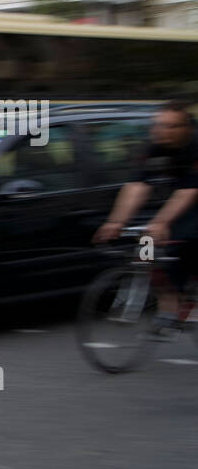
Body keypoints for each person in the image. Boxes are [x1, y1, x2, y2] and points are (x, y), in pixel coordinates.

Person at [94, 100, 198, 333]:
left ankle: (188, 297)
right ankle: (172, 299)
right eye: (159, 125)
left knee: (185, 235)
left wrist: (161, 222)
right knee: (149, 243)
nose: (163, 131)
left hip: (192, 192)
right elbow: (137, 184)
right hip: (184, 194)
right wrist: (116, 221)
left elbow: (189, 191)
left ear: (186, 128)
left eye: (171, 127)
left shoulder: (195, 145)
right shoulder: (156, 145)